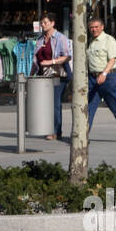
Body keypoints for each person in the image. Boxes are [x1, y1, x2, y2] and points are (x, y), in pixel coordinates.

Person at [33, 12, 71, 141]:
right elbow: (36, 58)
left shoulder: (60, 38)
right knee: (45, 103)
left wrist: (51, 62)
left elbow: (67, 56)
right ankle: (50, 128)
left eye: (45, 22)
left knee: (54, 102)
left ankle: (55, 131)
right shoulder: (40, 39)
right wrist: (32, 73)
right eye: (42, 23)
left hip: (57, 74)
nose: (43, 25)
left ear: (52, 23)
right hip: (43, 74)